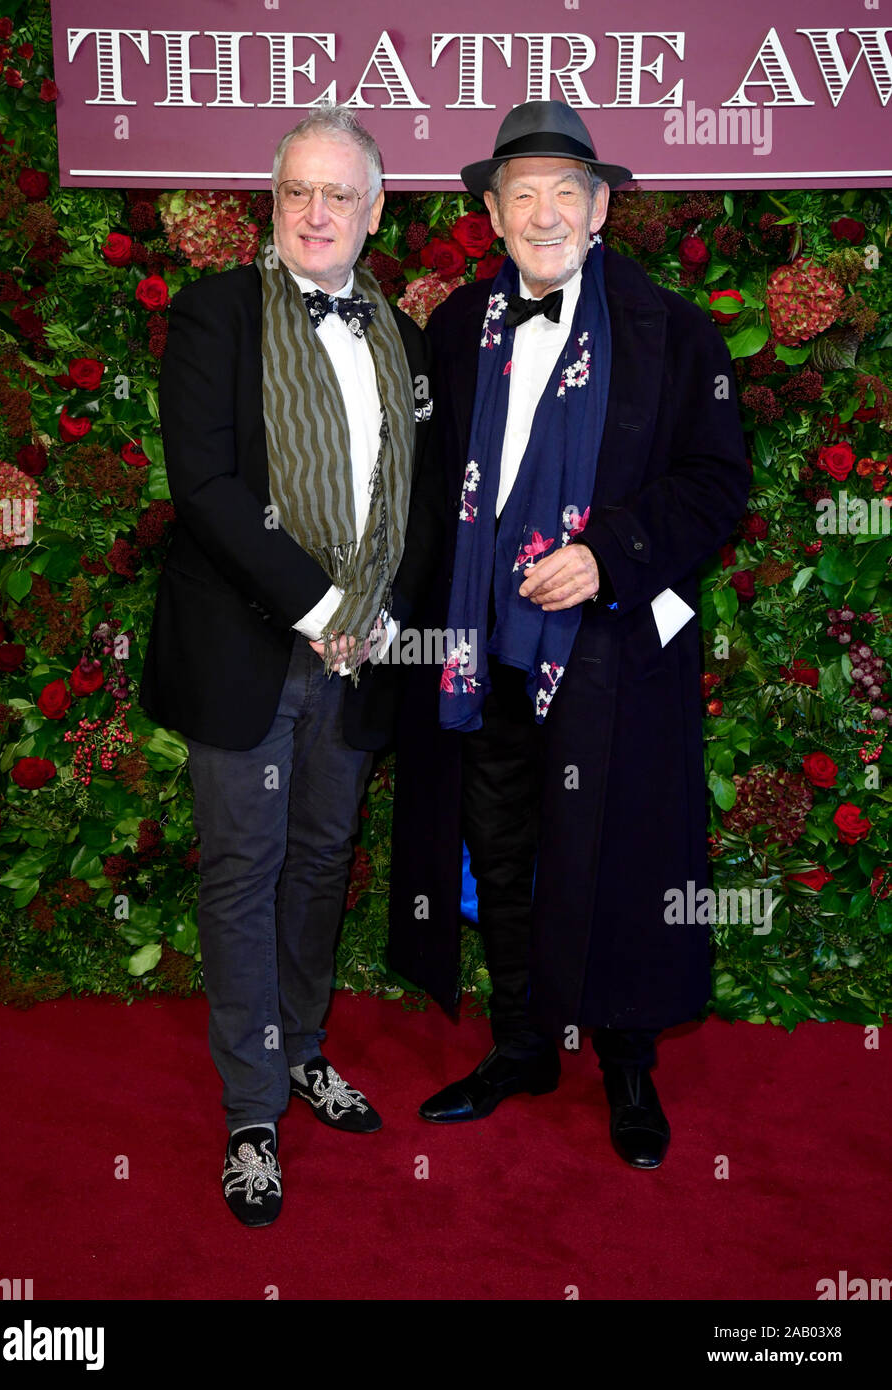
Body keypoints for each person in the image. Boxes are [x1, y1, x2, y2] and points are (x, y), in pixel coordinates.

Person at [388, 101, 749, 1169]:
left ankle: (628, 1064)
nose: (545, 212)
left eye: (566, 192)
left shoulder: (673, 333)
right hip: (482, 648)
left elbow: (715, 486)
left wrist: (610, 554)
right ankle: (521, 1045)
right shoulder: (455, 330)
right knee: (498, 849)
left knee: (624, 852)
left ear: (600, 208)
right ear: (494, 215)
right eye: (522, 194)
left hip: (609, 651)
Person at [138, 104, 439, 1225]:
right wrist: (317, 605)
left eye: (339, 195)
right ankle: (253, 1108)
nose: (317, 213)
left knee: (321, 860)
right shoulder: (216, 313)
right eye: (297, 192)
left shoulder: (402, 337)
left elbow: (417, 506)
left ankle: (303, 1047)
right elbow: (205, 486)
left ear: (374, 210)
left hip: (360, 655)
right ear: (275, 203)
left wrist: (382, 613)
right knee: (243, 872)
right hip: (247, 651)